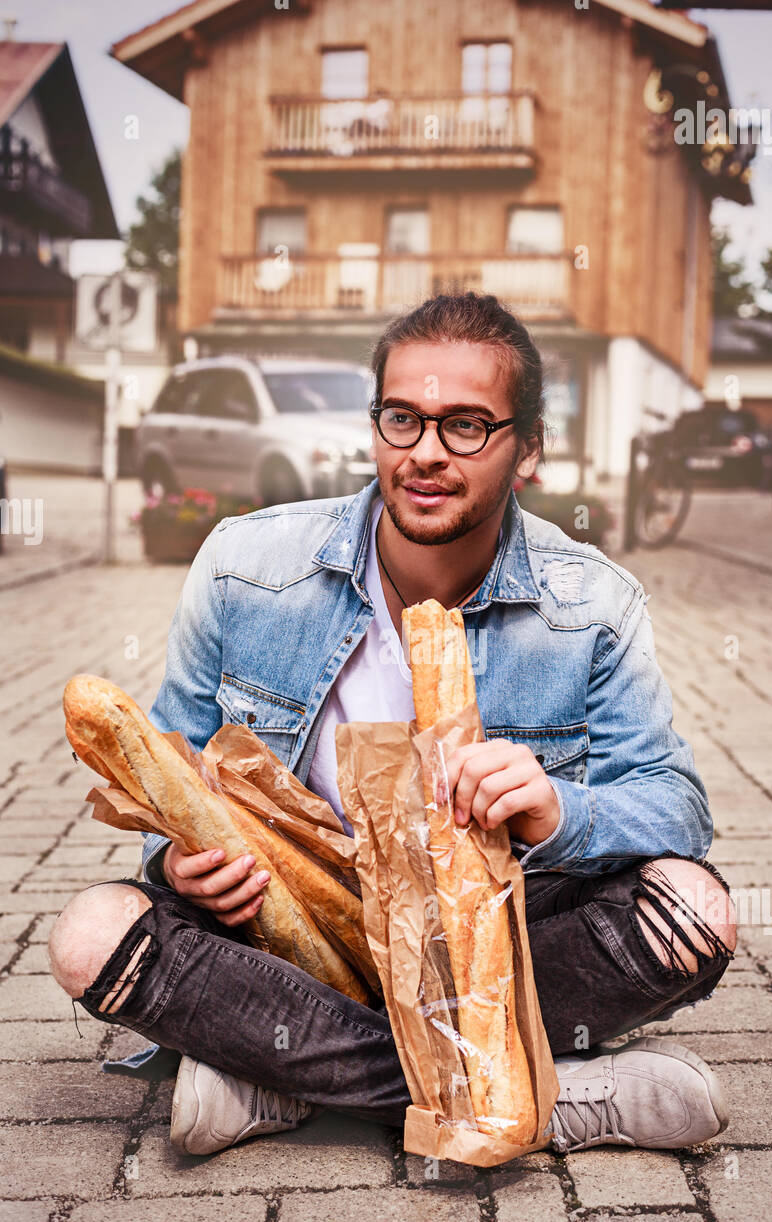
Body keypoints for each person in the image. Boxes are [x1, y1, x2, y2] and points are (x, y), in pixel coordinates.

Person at [49, 293, 737, 1157]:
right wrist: (178, 864)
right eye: (402, 419)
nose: (425, 455)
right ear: (375, 424)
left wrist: (559, 810)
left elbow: (676, 806)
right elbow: (167, 766)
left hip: (492, 943)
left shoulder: (592, 604)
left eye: (466, 426)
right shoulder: (245, 567)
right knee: (89, 936)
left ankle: (288, 1077)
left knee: (696, 910)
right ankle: (548, 1098)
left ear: (528, 449)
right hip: (291, 942)